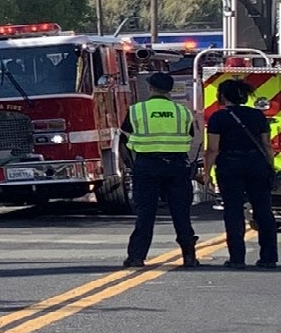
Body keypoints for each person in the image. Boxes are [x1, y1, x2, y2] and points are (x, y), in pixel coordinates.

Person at [119, 71, 199, 269]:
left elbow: (124, 139)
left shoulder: (137, 110)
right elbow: (190, 136)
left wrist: (131, 165)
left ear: (150, 88)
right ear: (170, 90)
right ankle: (189, 256)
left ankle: (136, 257)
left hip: (147, 165)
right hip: (177, 166)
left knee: (145, 214)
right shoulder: (182, 111)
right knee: (181, 213)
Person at [202, 78, 278, 269]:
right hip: (257, 165)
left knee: (233, 211)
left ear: (222, 96)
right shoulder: (257, 115)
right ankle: (268, 258)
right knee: (263, 210)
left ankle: (237, 258)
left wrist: (207, 173)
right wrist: (270, 166)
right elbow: (266, 144)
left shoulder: (218, 117)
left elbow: (213, 149)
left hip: (230, 166)